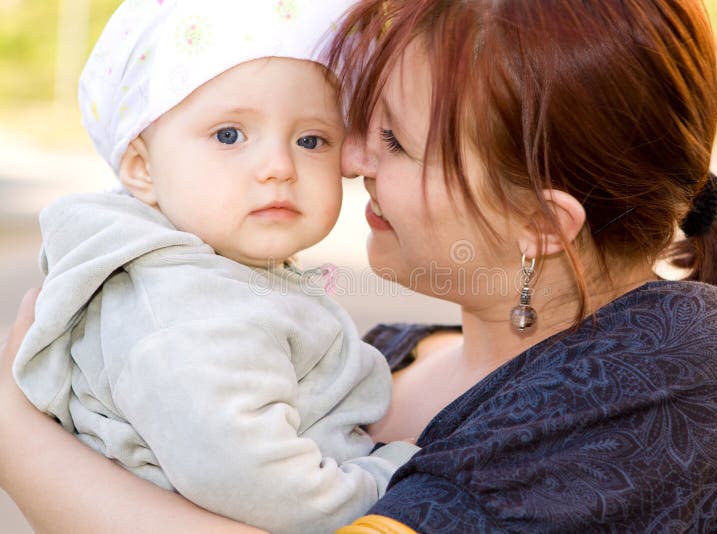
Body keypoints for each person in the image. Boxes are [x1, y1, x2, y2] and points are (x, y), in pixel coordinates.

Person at [0, 0, 717, 532]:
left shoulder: (681, 359)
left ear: (541, 222)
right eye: (359, 125)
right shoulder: (383, 351)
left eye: (396, 143)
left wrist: (14, 437)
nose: (348, 161)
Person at [6, 1, 419, 533]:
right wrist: (394, 477)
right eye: (229, 135)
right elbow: (266, 488)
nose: (278, 168)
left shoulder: (221, 277)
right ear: (141, 168)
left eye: (310, 140)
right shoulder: (183, 312)